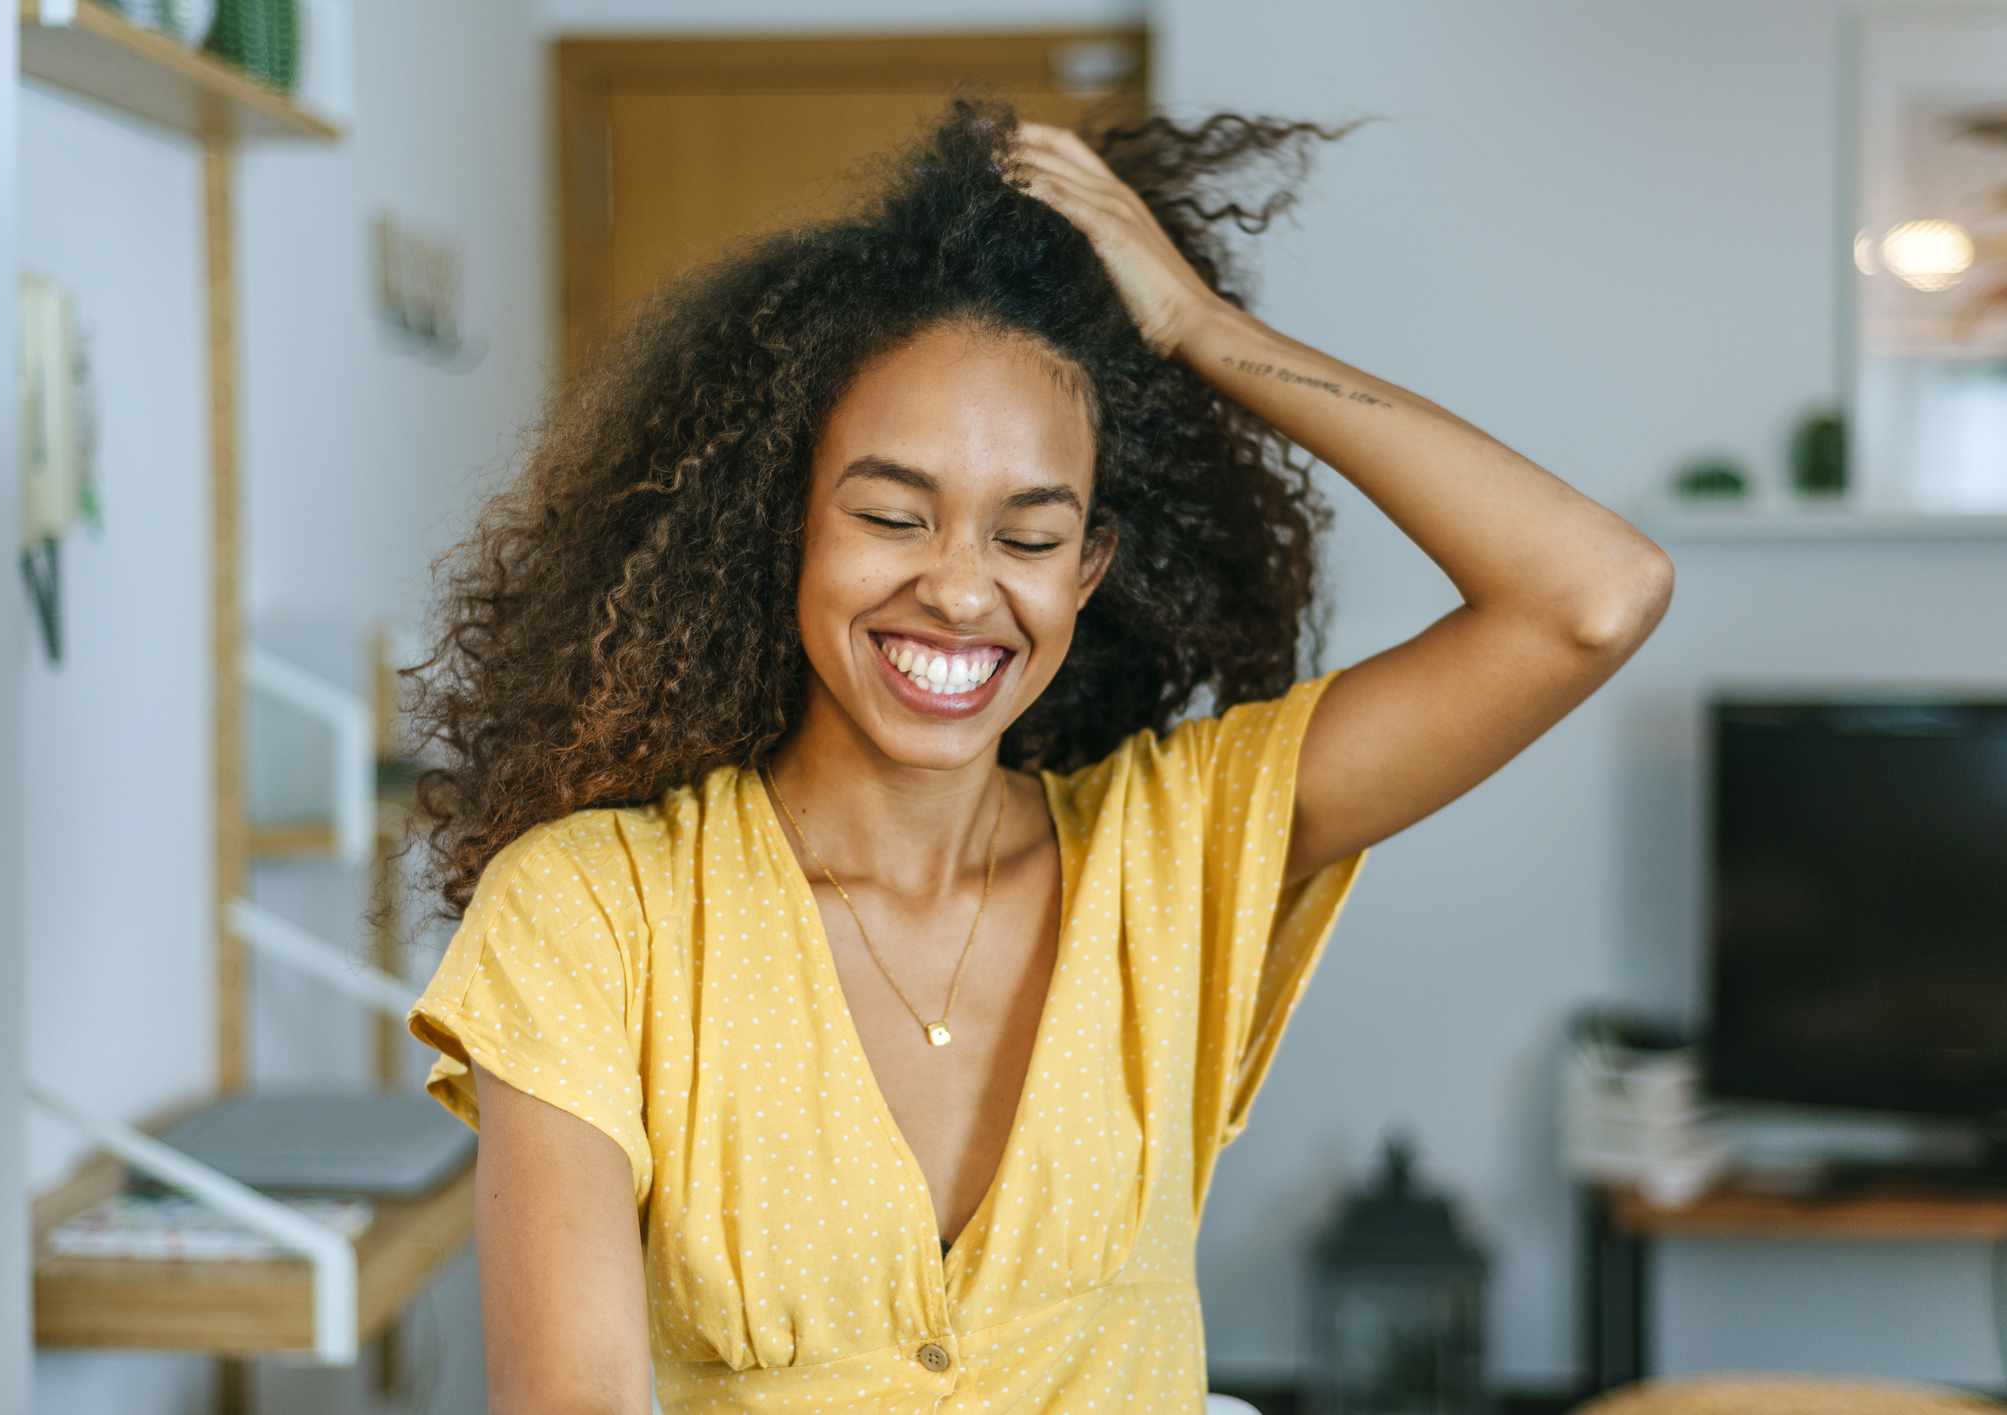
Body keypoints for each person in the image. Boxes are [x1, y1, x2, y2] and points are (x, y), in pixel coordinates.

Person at [397, 91, 1671, 1415]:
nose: (959, 592)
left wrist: (1204, 332)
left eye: (1026, 538)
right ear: (791, 529)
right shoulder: (597, 912)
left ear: (1088, 572)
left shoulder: (1177, 855)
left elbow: (1593, 597)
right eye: (894, 516)